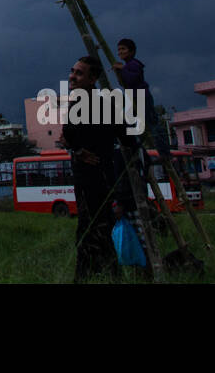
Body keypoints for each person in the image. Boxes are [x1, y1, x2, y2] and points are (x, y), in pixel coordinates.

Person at [61, 56, 123, 282]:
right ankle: (109, 274)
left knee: (91, 229)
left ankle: (86, 276)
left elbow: (68, 132)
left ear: (93, 78)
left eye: (79, 73)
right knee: (100, 229)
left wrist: (77, 148)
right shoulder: (97, 101)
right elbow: (69, 133)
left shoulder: (94, 103)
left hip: (94, 177)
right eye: (72, 71)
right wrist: (76, 148)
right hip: (98, 175)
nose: (72, 76)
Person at [111, 37, 171, 156]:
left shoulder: (134, 64)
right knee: (130, 125)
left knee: (152, 124)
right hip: (133, 97)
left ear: (131, 51)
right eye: (119, 50)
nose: (120, 52)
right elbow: (123, 83)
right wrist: (119, 71)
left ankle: (164, 153)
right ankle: (136, 150)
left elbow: (132, 79)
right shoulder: (127, 65)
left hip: (141, 96)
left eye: (123, 49)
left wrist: (122, 69)